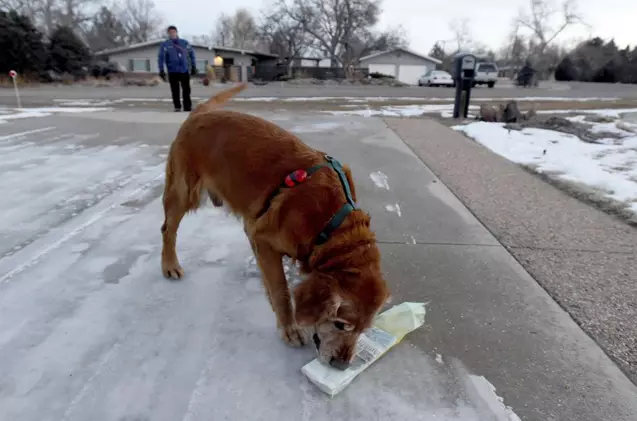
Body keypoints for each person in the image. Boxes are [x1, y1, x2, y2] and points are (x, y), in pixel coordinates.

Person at [158, 25, 197, 112]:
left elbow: (191, 54)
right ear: (168, 34)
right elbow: (161, 58)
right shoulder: (165, 45)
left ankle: (187, 106)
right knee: (175, 90)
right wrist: (161, 70)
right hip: (173, 71)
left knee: (186, 90)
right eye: (170, 32)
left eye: (174, 32)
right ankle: (177, 106)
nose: (172, 34)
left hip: (184, 70)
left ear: (176, 32)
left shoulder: (184, 43)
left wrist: (193, 66)